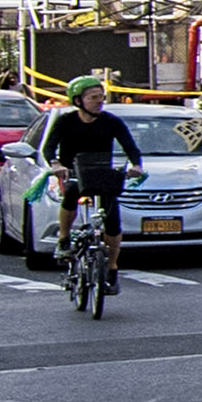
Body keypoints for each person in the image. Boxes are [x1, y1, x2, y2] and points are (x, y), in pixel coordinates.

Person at [44, 75, 143, 288]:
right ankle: (63, 239)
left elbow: (130, 146)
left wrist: (136, 166)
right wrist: (56, 164)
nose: (99, 102)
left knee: (113, 219)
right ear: (78, 101)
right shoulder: (65, 121)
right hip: (73, 173)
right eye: (93, 97)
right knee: (71, 192)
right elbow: (49, 147)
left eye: (101, 97)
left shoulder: (112, 122)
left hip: (101, 173)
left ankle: (112, 267)